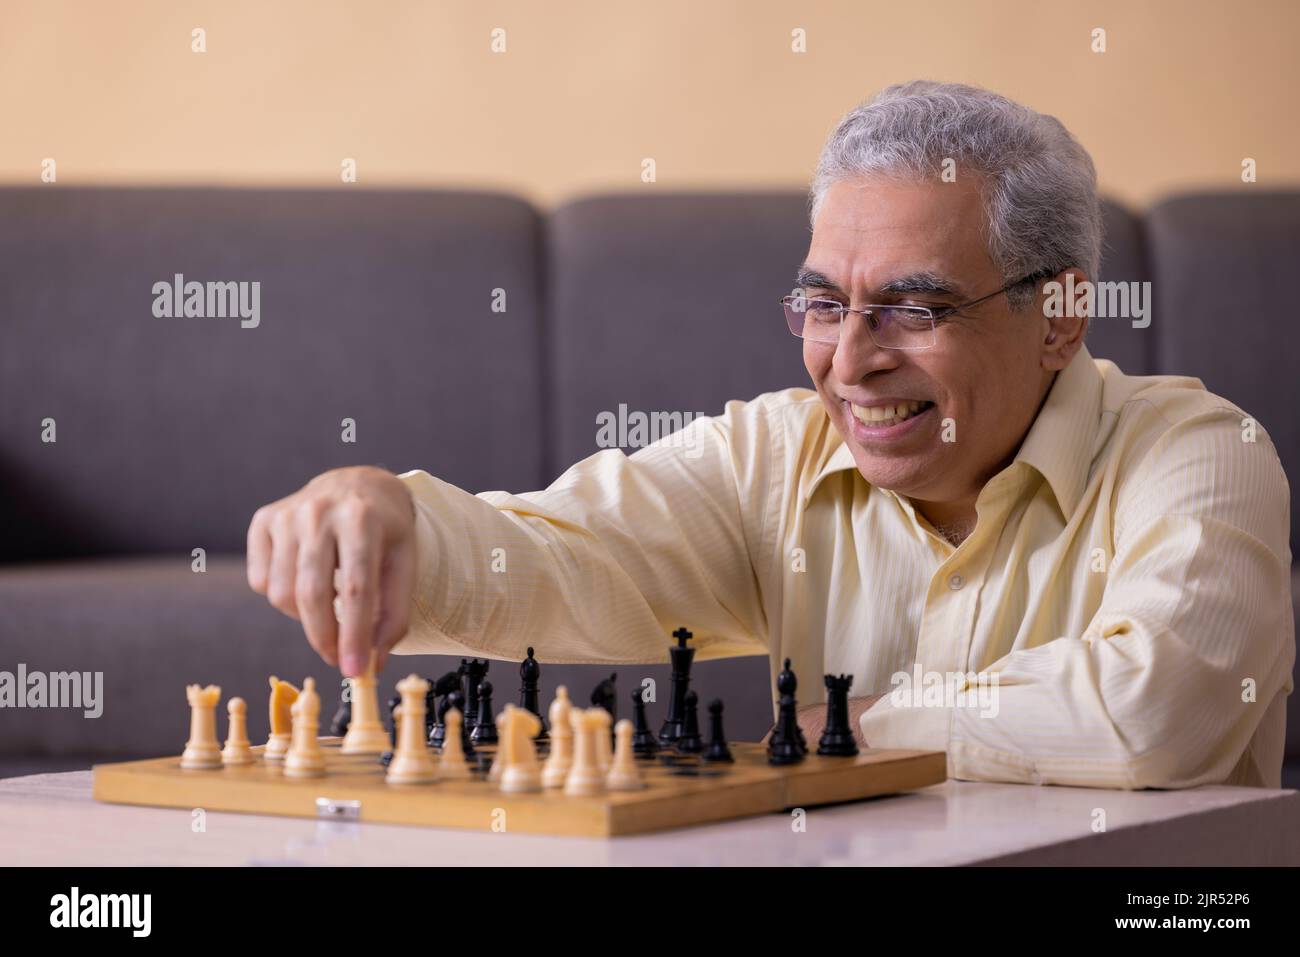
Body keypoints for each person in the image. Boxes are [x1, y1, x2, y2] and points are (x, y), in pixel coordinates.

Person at [246, 81, 1293, 789]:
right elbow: (561, 557)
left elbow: (1154, 713)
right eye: (822, 303)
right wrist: (389, 517)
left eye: (914, 308)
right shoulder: (772, 459)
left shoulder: (1201, 454)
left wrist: (865, 724)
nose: (848, 360)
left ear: (1059, 316)